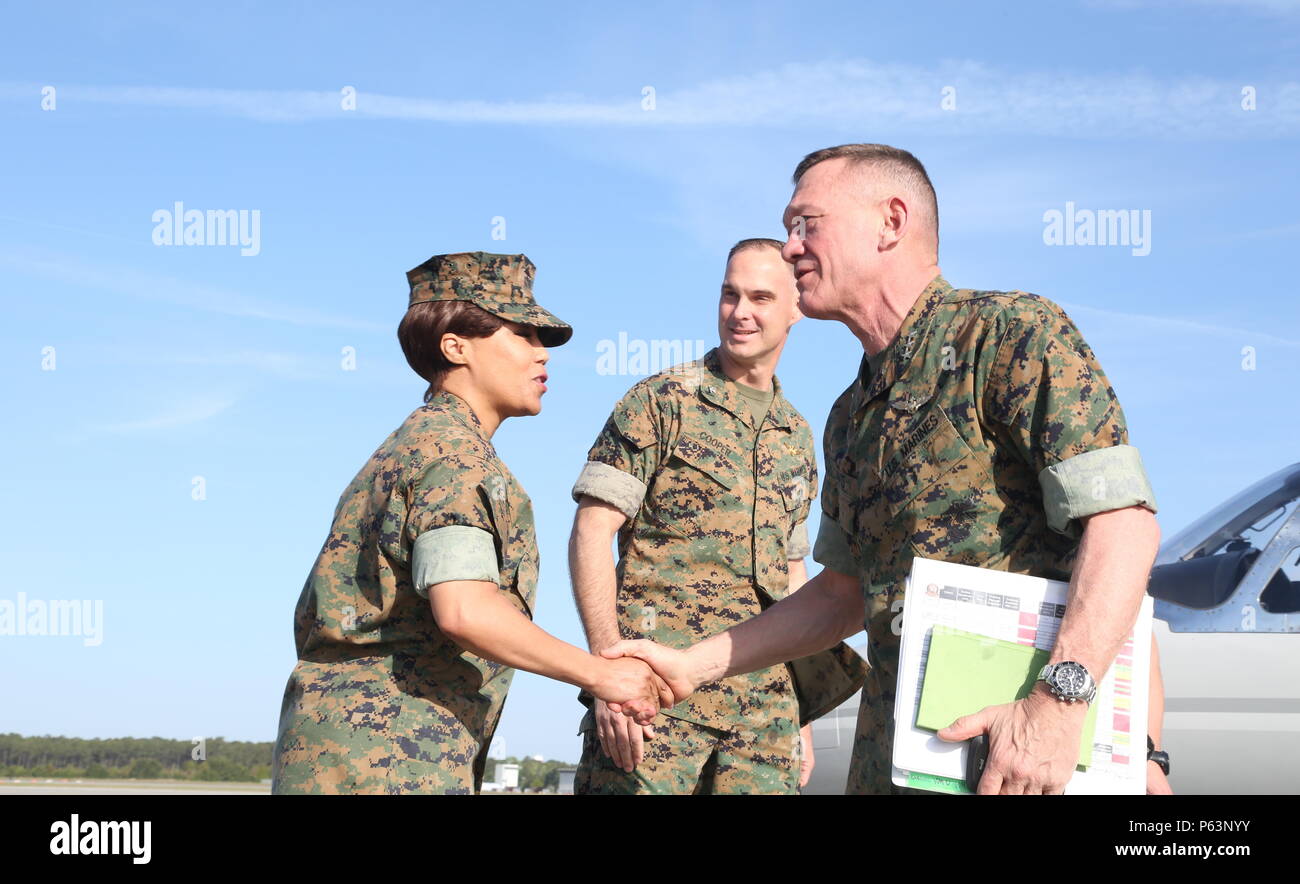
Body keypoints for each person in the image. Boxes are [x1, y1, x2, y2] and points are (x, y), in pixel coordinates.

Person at [604, 144, 1165, 795]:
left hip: (1022, 763)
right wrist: (690, 665)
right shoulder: (849, 417)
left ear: (891, 222)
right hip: (897, 764)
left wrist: (1055, 708)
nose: (789, 248)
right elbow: (840, 596)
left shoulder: (1010, 336)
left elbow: (1123, 525)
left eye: (806, 223)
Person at [272, 251, 670, 794]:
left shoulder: (416, 443)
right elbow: (465, 609)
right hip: (389, 757)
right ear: (455, 346)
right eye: (521, 334)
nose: (541, 354)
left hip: (350, 752)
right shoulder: (454, 457)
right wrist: (603, 675)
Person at [568, 239, 866, 795]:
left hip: (762, 715)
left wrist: (799, 714)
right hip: (653, 705)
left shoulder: (797, 436)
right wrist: (606, 675)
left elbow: (793, 574)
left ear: (796, 306)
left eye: (759, 297)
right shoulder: (660, 402)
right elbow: (591, 530)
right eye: (730, 295)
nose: (741, 312)